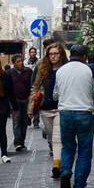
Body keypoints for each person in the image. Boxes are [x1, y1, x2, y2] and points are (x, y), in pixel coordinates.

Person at [54, 43, 94, 188]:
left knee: (67, 146)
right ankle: (80, 186)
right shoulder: (88, 70)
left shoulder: (60, 71)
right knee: (85, 150)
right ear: (84, 56)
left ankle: (66, 170)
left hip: (65, 113)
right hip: (84, 113)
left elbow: (55, 94)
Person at [34, 42, 68, 179]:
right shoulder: (42, 69)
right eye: (51, 54)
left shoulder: (66, 69)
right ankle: (59, 160)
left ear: (61, 55)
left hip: (61, 108)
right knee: (50, 136)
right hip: (45, 108)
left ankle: (56, 165)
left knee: (57, 137)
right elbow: (35, 87)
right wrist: (32, 108)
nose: (53, 57)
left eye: (56, 54)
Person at [9, 54, 33, 151]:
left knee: (25, 121)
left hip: (26, 99)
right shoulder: (10, 73)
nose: (21, 63)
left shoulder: (28, 71)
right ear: (13, 63)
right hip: (15, 100)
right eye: (18, 61)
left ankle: (22, 141)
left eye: (21, 61)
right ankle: (17, 142)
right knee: (17, 121)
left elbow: (32, 85)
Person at [27, 47, 40, 126]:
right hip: (27, 85)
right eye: (31, 52)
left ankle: (36, 121)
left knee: (36, 102)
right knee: (28, 103)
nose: (33, 53)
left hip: (36, 85)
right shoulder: (25, 62)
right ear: (29, 53)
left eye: (34, 52)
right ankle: (28, 118)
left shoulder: (39, 62)